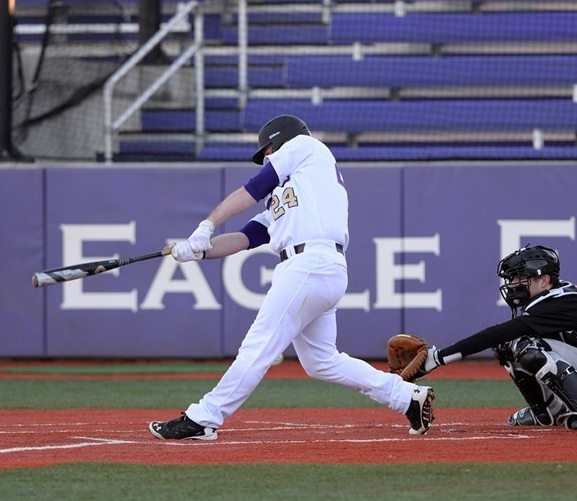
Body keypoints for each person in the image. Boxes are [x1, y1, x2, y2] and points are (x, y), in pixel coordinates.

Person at [148, 115, 435, 441]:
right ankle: (405, 397)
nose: (267, 157)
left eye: (268, 150)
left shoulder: (306, 147)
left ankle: (204, 417)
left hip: (309, 264)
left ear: (282, 139)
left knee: (258, 347)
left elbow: (252, 188)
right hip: (319, 269)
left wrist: (207, 225)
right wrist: (196, 250)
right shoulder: (293, 193)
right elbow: (245, 238)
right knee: (321, 361)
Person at [400, 245, 577, 430]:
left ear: (544, 280)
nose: (513, 284)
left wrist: (437, 358)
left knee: (521, 343)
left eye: (521, 278)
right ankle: (546, 411)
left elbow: (498, 332)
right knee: (506, 345)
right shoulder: (554, 295)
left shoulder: (559, 300)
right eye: (512, 279)